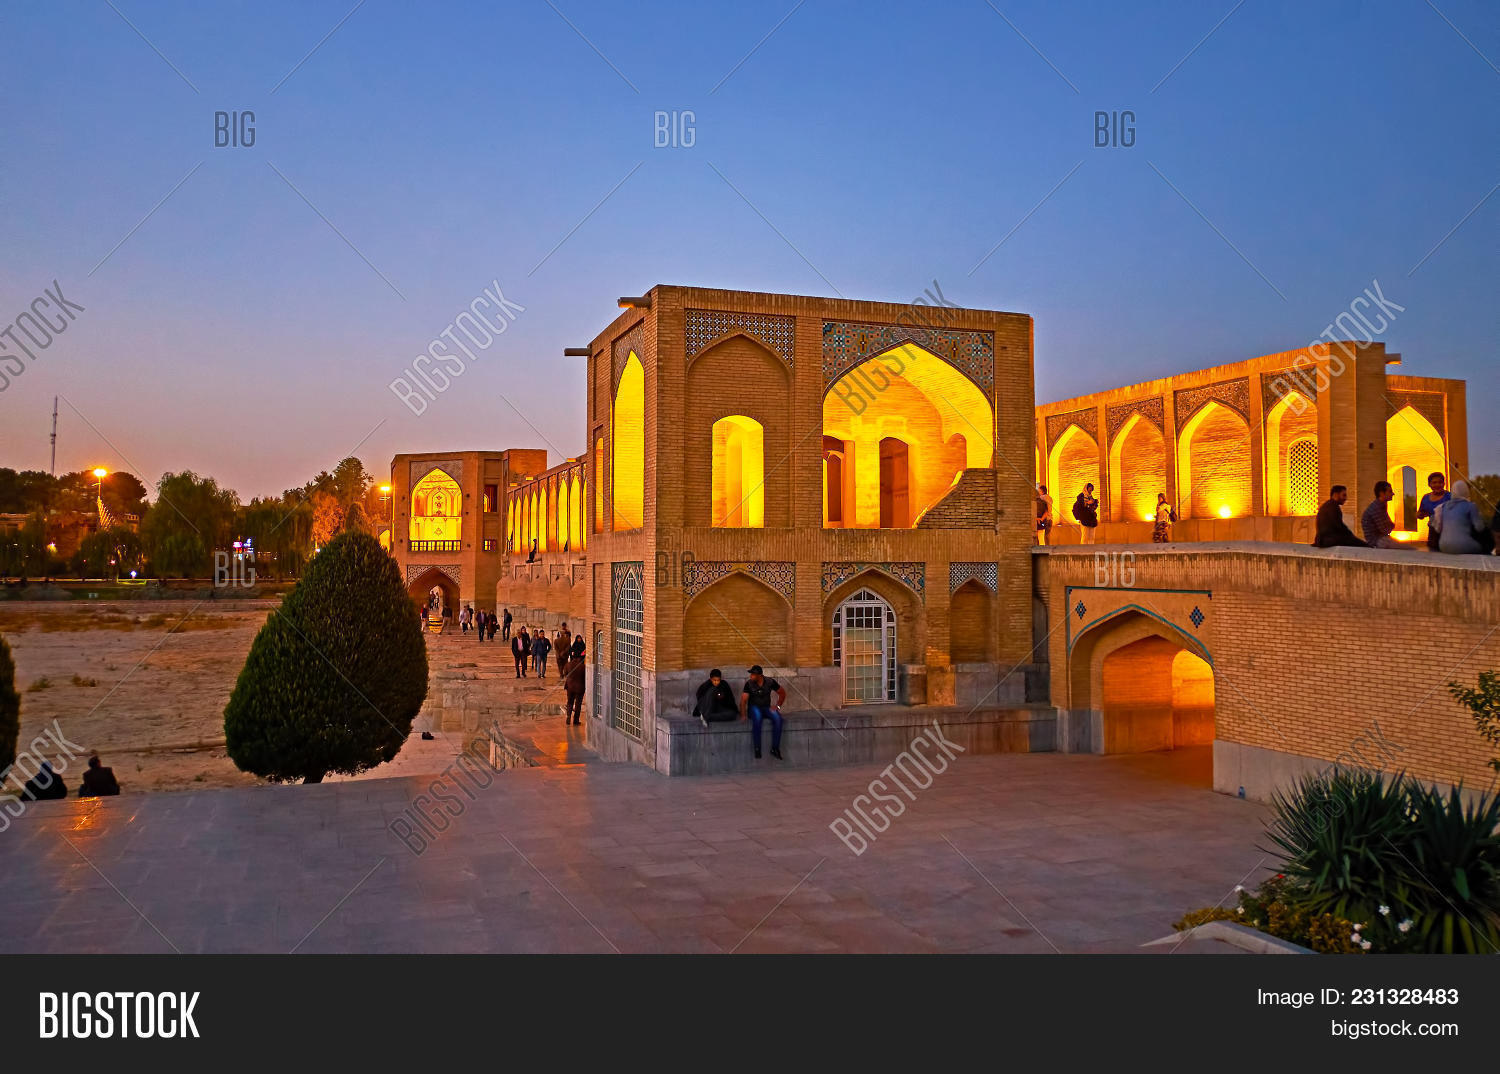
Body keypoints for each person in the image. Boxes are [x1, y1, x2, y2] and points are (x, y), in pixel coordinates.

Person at [740, 665, 787, 760]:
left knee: (778, 719)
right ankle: (757, 748)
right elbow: (743, 701)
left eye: (753, 674)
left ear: (759, 675)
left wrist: (777, 706)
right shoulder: (749, 684)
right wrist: (743, 715)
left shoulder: (770, 682)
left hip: (766, 708)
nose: (751, 676)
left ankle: (775, 748)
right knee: (757, 718)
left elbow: (782, 692)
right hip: (754, 708)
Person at [1437, 480, 1492, 555]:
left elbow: (1438, 529)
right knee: (1485, 545)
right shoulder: (1470, 506)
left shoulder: (1444, 506)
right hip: (1464, 546)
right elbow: (1480, 528)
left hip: (1443, 546)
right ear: (1466, 491)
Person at [1360, 481, 1410, 550]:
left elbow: (1388, 527)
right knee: (1409, 550)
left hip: (1381, 539)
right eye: (1390, 491)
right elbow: (1386, 529)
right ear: (1381, 493)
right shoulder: (1376, 508)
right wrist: (1391, 525)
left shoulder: (1381, 506)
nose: (1393, 494)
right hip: (1377, 542)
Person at [1416, 472, 1451, 551]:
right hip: (1433, 533)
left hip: (1448, 532)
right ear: (1429, 484)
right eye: (1434, 482)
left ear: (1444, 483)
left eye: (1440, 482)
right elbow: (1421, 513)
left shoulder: (1450, 496)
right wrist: (1419, 515)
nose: (1437, 485)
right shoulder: (1425, 498)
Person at [562, 647, 587, 724]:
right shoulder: (583, 667)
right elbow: (585, 677)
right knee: (578, 704)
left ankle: (568, 715)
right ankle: (576, 720)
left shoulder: (568, 665)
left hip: (570, 687)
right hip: (580, 688)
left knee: (570, 702)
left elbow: (564, 674)